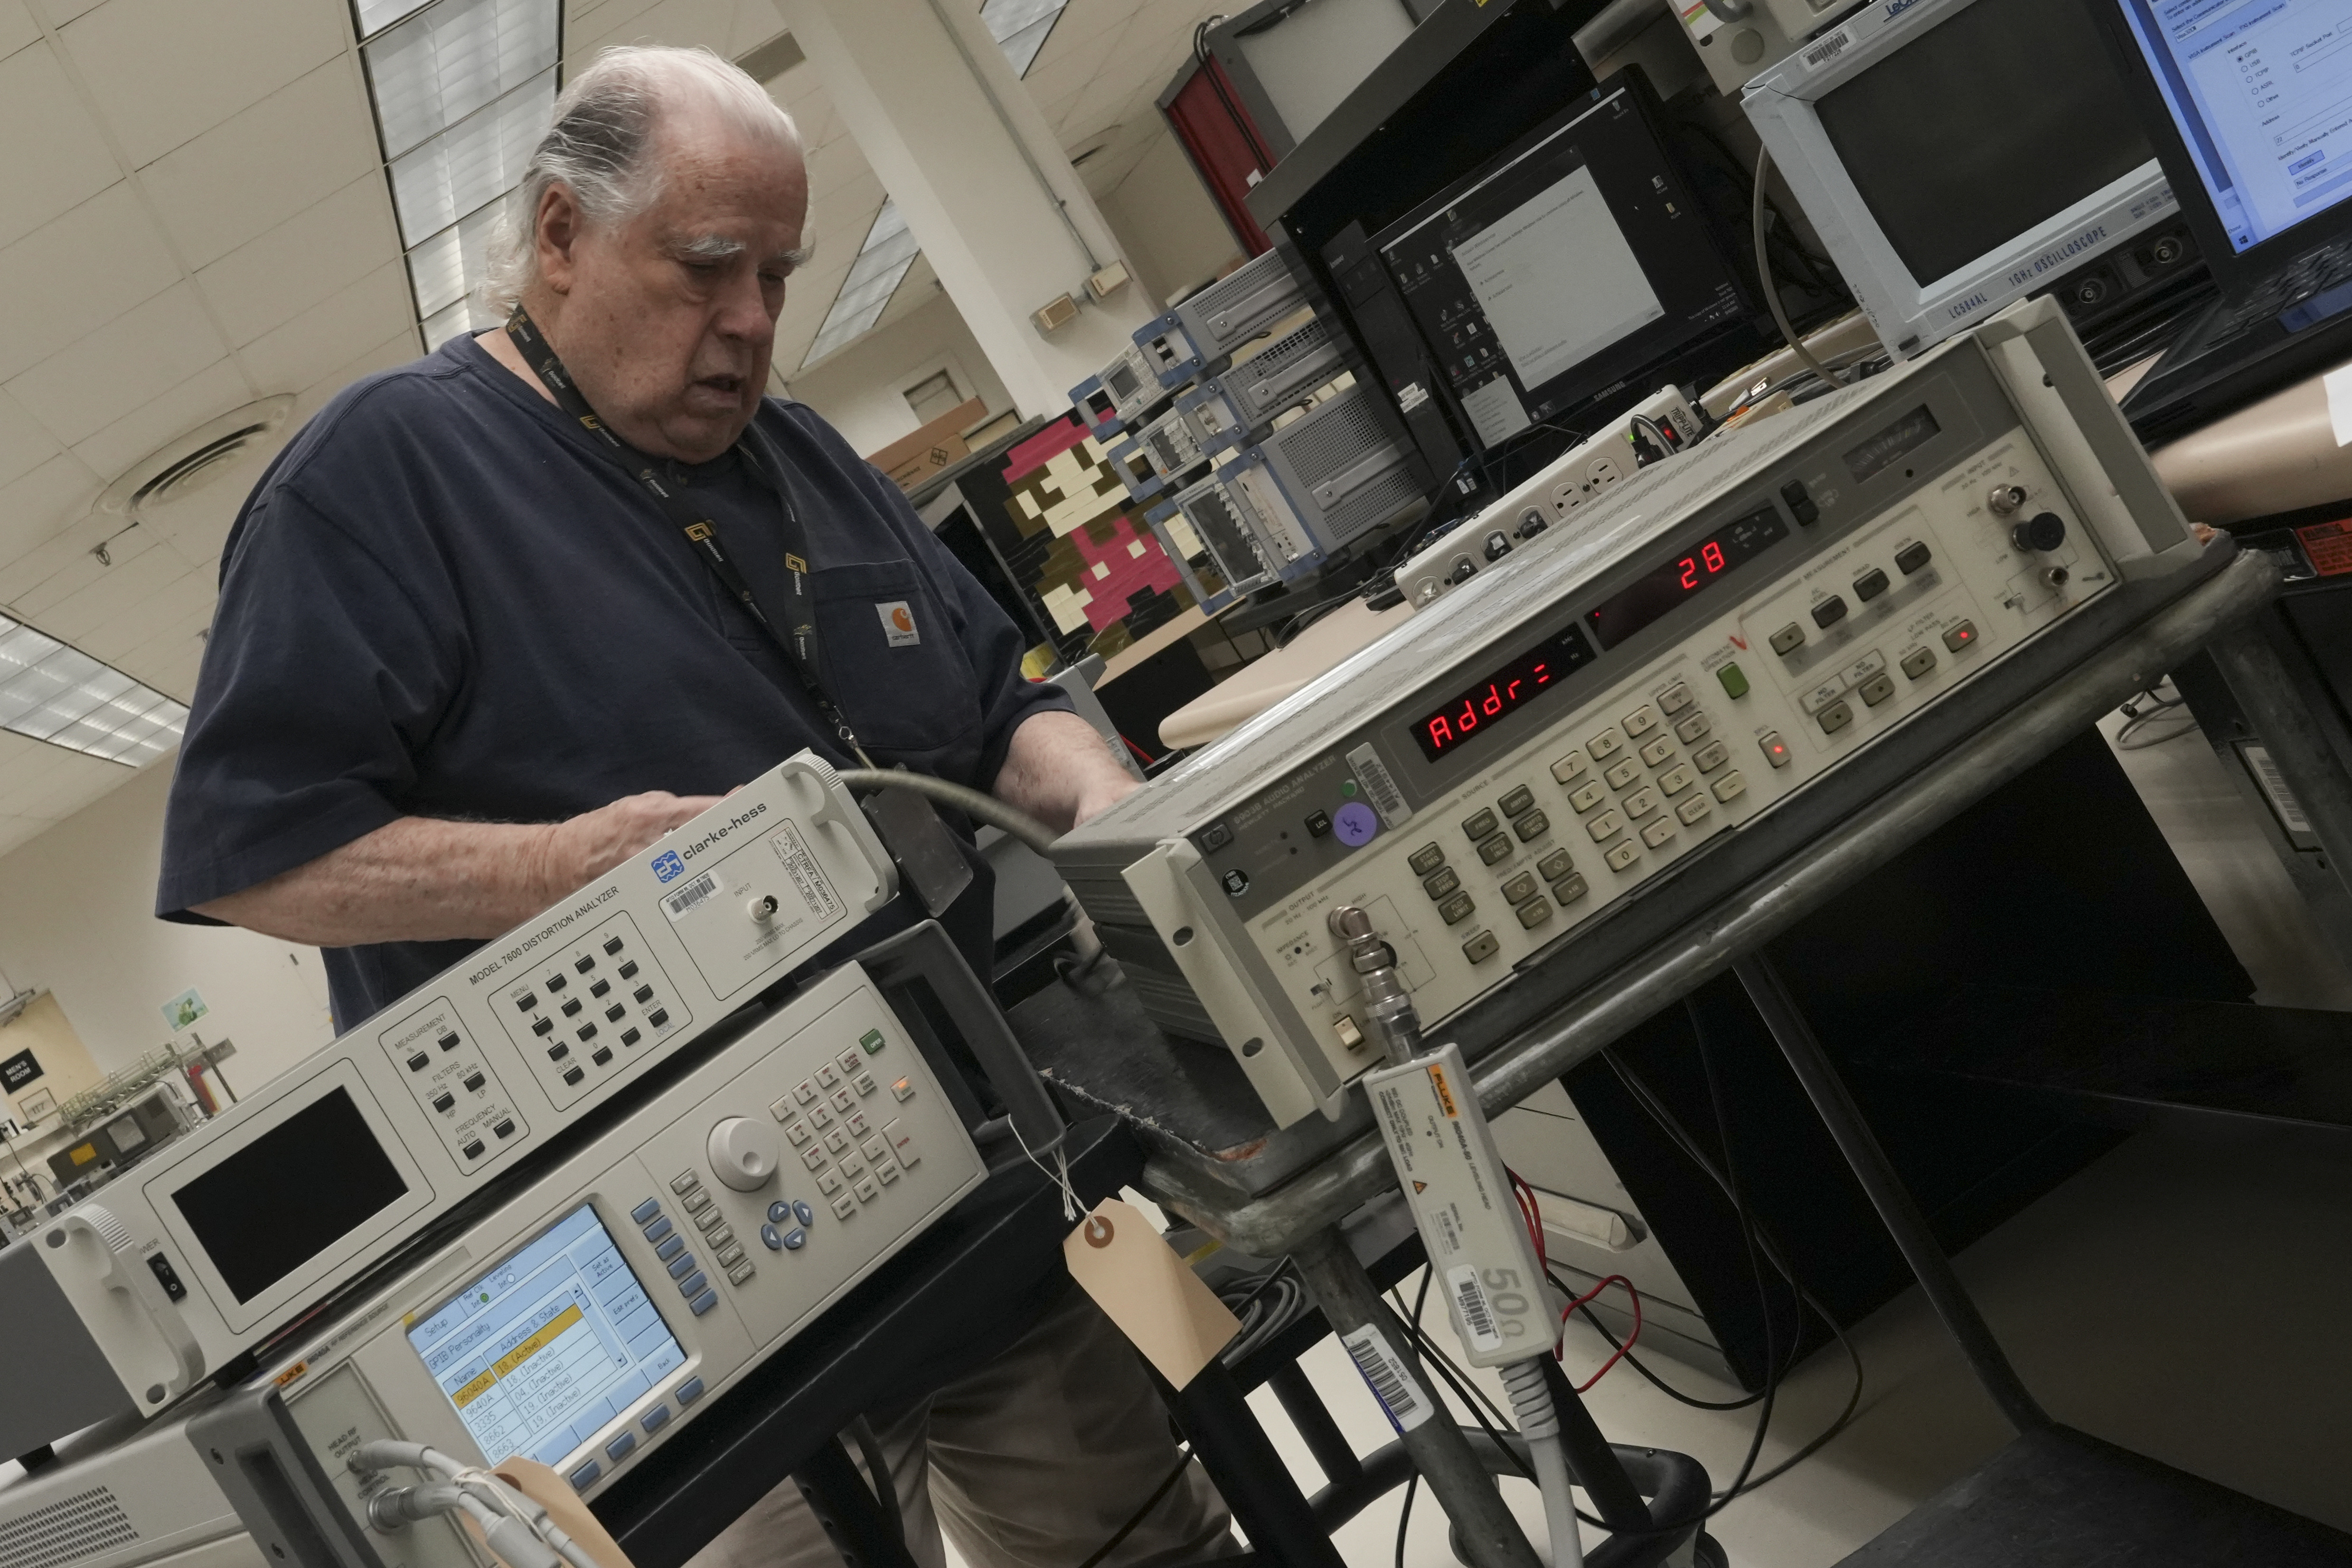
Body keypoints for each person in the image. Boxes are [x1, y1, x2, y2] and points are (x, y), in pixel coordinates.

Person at [155, 44, 1229, 1568]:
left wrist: (1119, 817)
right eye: (707, 267)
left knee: (1136, 1544)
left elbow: (999, 708)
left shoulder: (803, 460)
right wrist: (560, 870)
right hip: (670, 1296)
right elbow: (254, 852)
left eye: (776, 277)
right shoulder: (384, 475)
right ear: (560, 235)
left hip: (974, 1176)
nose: (750, 322)